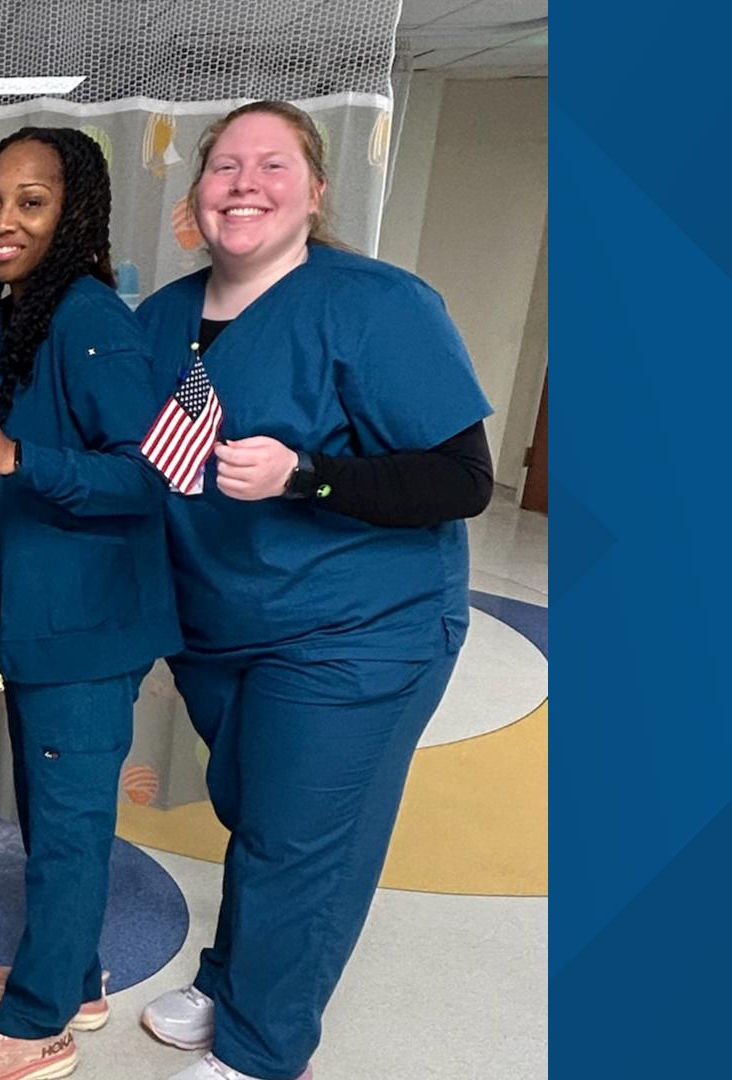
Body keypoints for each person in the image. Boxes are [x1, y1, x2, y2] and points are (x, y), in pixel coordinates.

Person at [133, 101, 494, 1080]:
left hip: (357, 629)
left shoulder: (379, 305)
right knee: (258, 815)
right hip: (217, 624)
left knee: (301, 843)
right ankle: (231, 982)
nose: (244, 182)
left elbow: (464, 480)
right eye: (225, 165)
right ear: (198, 190)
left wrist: (307, 475)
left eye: (272, 164)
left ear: (317, 192)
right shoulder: (162, 318)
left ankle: (259, 1050)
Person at [0, 127, 183, 1080]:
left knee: (68, 834)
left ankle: (39, 1026)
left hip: (87, 629)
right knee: (50, 818)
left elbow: (148, 476)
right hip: (42, 622)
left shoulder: (87, 317)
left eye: (30, 203)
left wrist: (14, 456)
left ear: (73, 213)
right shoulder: (11, 317)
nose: (2, 221)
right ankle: (72, 974)